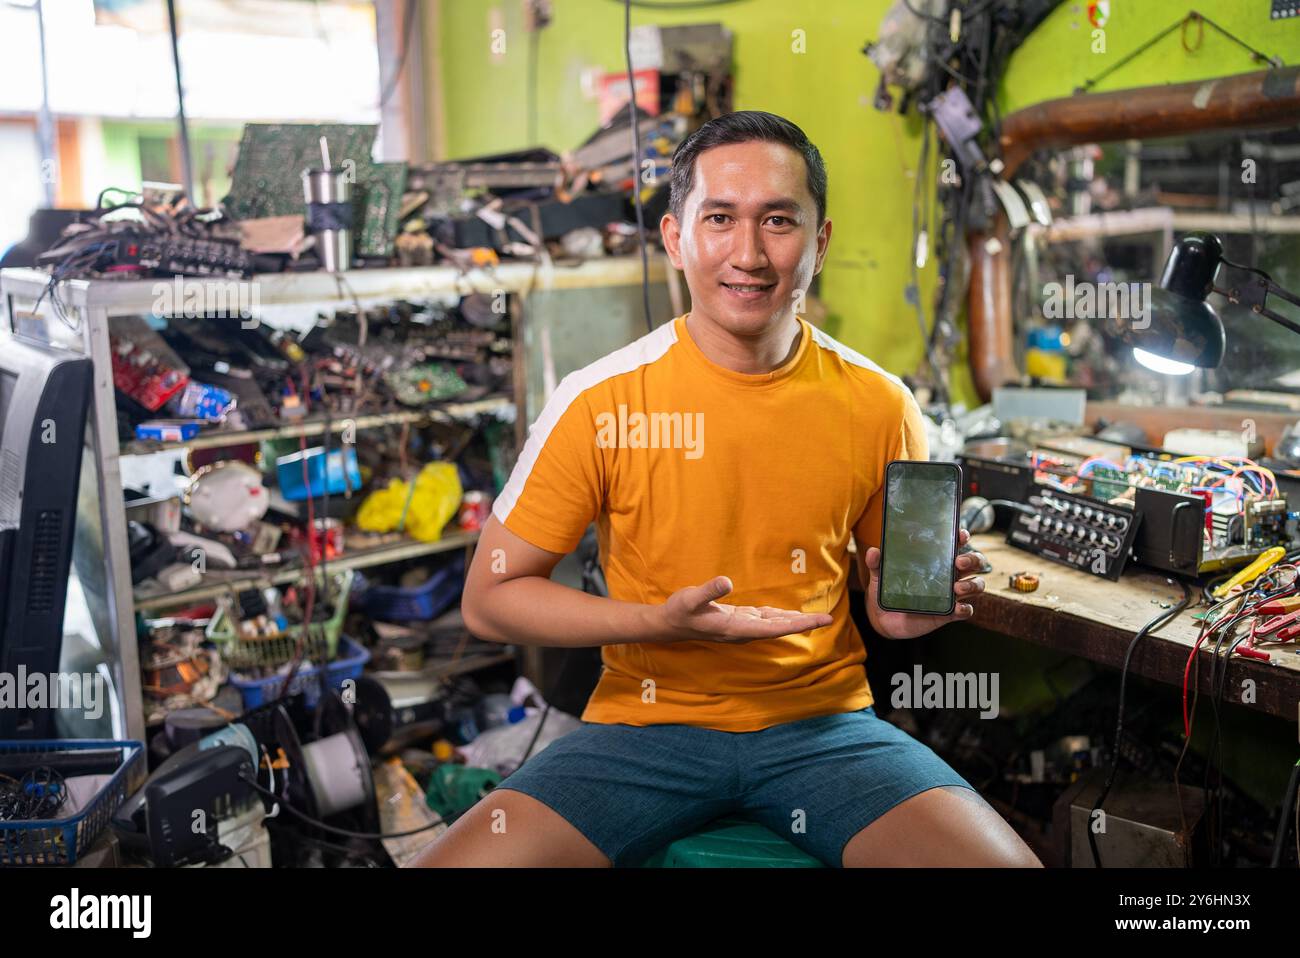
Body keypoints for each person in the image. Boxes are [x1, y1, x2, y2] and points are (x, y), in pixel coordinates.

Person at [411, 110, 1041, 868]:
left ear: (821, 242)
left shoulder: (881, 403)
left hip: (825, 728)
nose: (748, 253)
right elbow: (490, 598)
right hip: (643, 730)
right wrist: (655, 622)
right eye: (720, 219)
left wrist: (898, 617)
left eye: (779, 220)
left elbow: (888, 597)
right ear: (676, 239)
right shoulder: (600, 401)